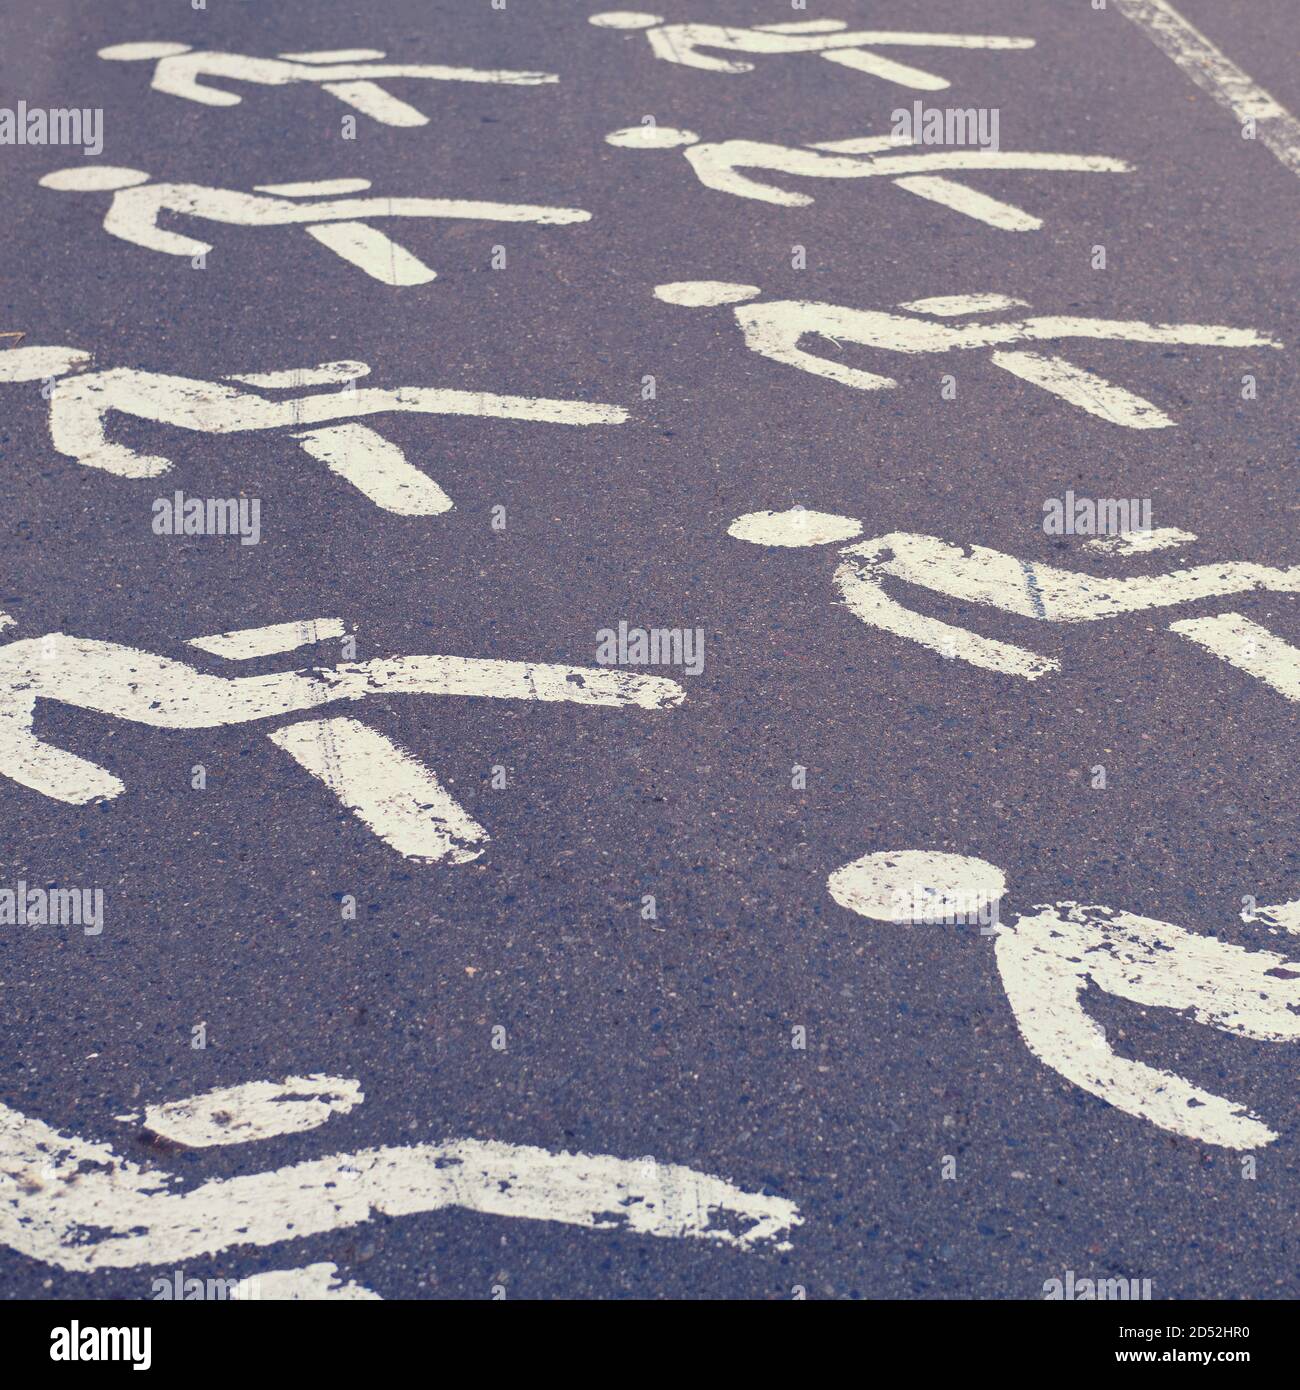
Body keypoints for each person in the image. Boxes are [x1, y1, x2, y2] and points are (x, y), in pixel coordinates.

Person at [827, 846, 1300, 1148]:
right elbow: (1081, 1050)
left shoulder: (1051, 926)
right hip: (1262, 1005)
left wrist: (1209, 1117)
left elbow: (1082, 1052)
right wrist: (1207, 1115)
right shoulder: (1038, 939)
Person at [0, 344, 625, 513]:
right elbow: (80, 439)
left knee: (359, 421)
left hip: (242, 414)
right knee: (390, 401)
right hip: (232, 424)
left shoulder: (112, 374)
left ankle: (412, 499)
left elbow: (244, 384)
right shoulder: (78, 390)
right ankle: (571, 412)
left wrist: (318, 371)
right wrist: (128, 463)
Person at [728, 507, 1300, 691]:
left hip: (1048, 588)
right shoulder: (863, 564)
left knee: (1188, 590)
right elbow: (899, 615)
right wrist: (1005, 656)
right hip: (1048, 604)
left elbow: (902, 612)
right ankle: (1265, 578)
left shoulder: (889, 543)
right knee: (1197, 587)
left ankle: (1263, 579)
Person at [658, 284, 1280, 427]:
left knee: (1043, 330)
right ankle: (1225, 340)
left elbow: (802, 354)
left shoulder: (774, 306)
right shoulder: (765, 315)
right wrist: (860, 376)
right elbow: (797, 357)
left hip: (920, 337)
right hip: (918, 344)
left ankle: (1227, 340)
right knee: (1046, 330)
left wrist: (861, 375)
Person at [39, 165, 590, 285]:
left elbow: (146, 231)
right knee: (390, 206)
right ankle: (527, 213)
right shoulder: (140, 196)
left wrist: (190, 246)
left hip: (272, 214)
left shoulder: (138, 199)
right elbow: (146, 230)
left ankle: (528, 214)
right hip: (272, 215)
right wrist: (188, 244)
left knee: (383, 209)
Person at [605, 123, 1130, 231]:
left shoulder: (721, 148)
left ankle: (1017, 211)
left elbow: (784, 156)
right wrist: (788, 197)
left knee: (941, 167)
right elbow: (740, 181)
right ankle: (1018, 209)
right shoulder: (714, 153)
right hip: (842, 173)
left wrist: (790, 197)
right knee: (945, 167)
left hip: (843, 170)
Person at [99, 40, 556, 126]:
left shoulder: (179, 63)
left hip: (299, 76)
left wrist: (224, 97)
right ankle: (504, 77)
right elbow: (191, 88)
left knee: (379, 79)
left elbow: (192, 89)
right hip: (301, 75)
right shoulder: (177, 64)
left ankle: (505, 76)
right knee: (387, 77)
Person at [589, 12, 1033, 88]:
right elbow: (679, 57)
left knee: (855, 43)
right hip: (775, 49)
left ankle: (975, 43)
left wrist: (816, 24)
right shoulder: (666, 35)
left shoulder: (675, 27)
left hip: (780, 44)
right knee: (857, 43)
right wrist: (729, 66)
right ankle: (973, 44)